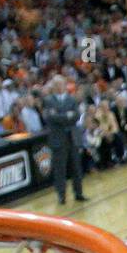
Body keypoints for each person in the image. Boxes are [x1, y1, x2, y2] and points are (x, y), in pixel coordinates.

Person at [43, 75, 85, 203]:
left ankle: (78, 193)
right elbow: (51, 117)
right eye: (57, 84)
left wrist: (61, 115)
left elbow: (77, 115)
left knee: (76, 167)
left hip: (72, 137)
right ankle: (62, 196)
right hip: (58, 139)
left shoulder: (71, 99)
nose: (60, 87)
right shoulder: (48, 100)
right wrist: (67, 116)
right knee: (60, 169)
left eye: (61, 84)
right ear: (54, 86)